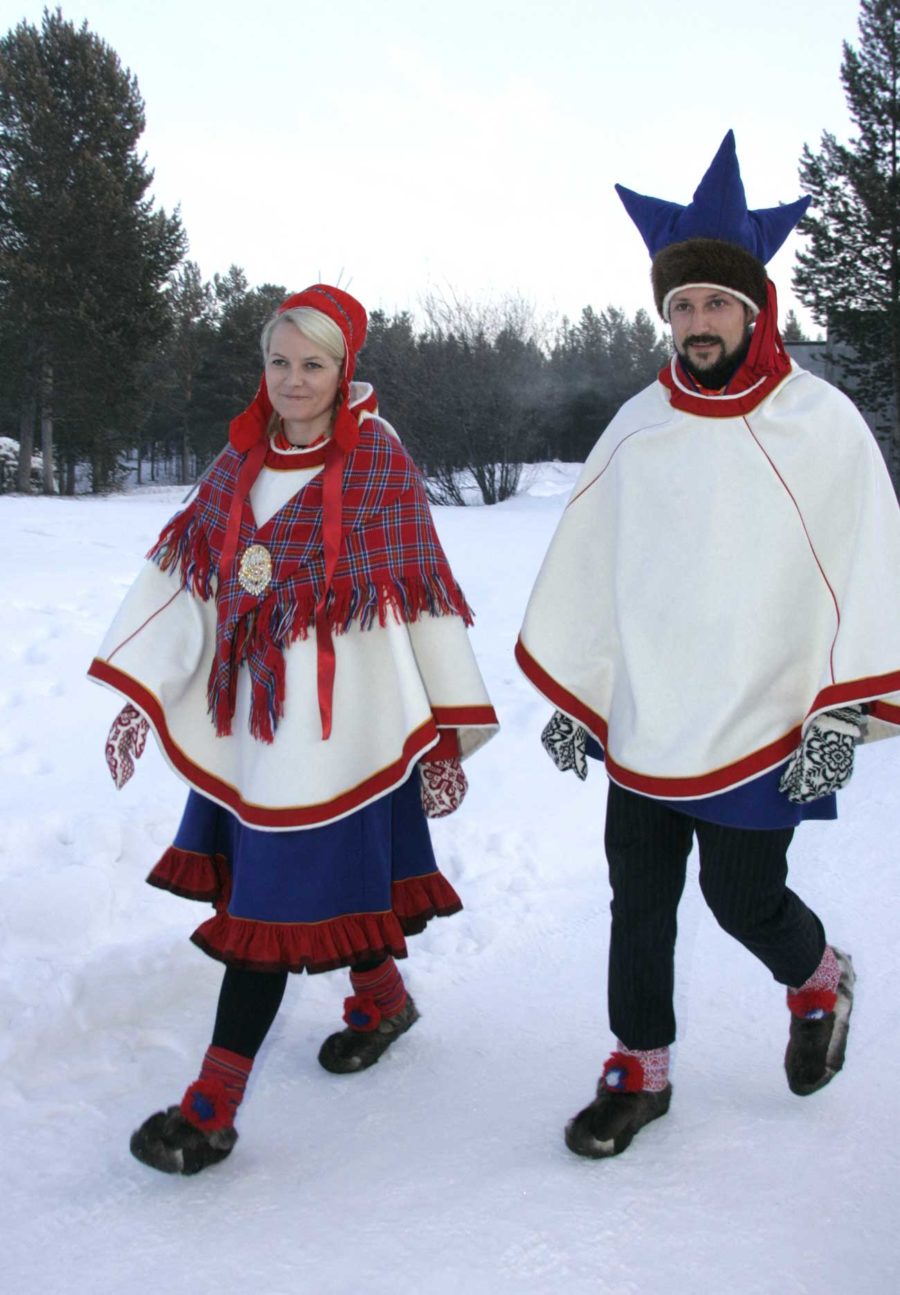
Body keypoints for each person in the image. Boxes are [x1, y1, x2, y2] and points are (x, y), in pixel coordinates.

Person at [516, 132, 900, 1159]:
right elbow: (595, 565)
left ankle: (819, 978)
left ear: (754, 308)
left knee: (741, 897)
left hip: (762, 715)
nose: (695, 322)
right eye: (680, 305)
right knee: (638, 898)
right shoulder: (638, 424)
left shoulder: (819, 423)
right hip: (648, 714)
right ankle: (638, 1067)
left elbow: (865, 564)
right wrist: (580, 691)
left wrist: (842, 710)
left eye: (714, 303)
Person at [90, 284, 498, 1175]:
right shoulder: (240, 459)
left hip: (344, 728)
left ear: (343, 369)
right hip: (253, 725)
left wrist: (447, 723)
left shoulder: (379, 460)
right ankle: (382, 999)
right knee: (312, 880)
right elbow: (187, 577)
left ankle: (210, 1109)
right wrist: (139, 689)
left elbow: (420, 589)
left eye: (313, 364)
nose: (294, 380)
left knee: (270, 906)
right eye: (279, 362)